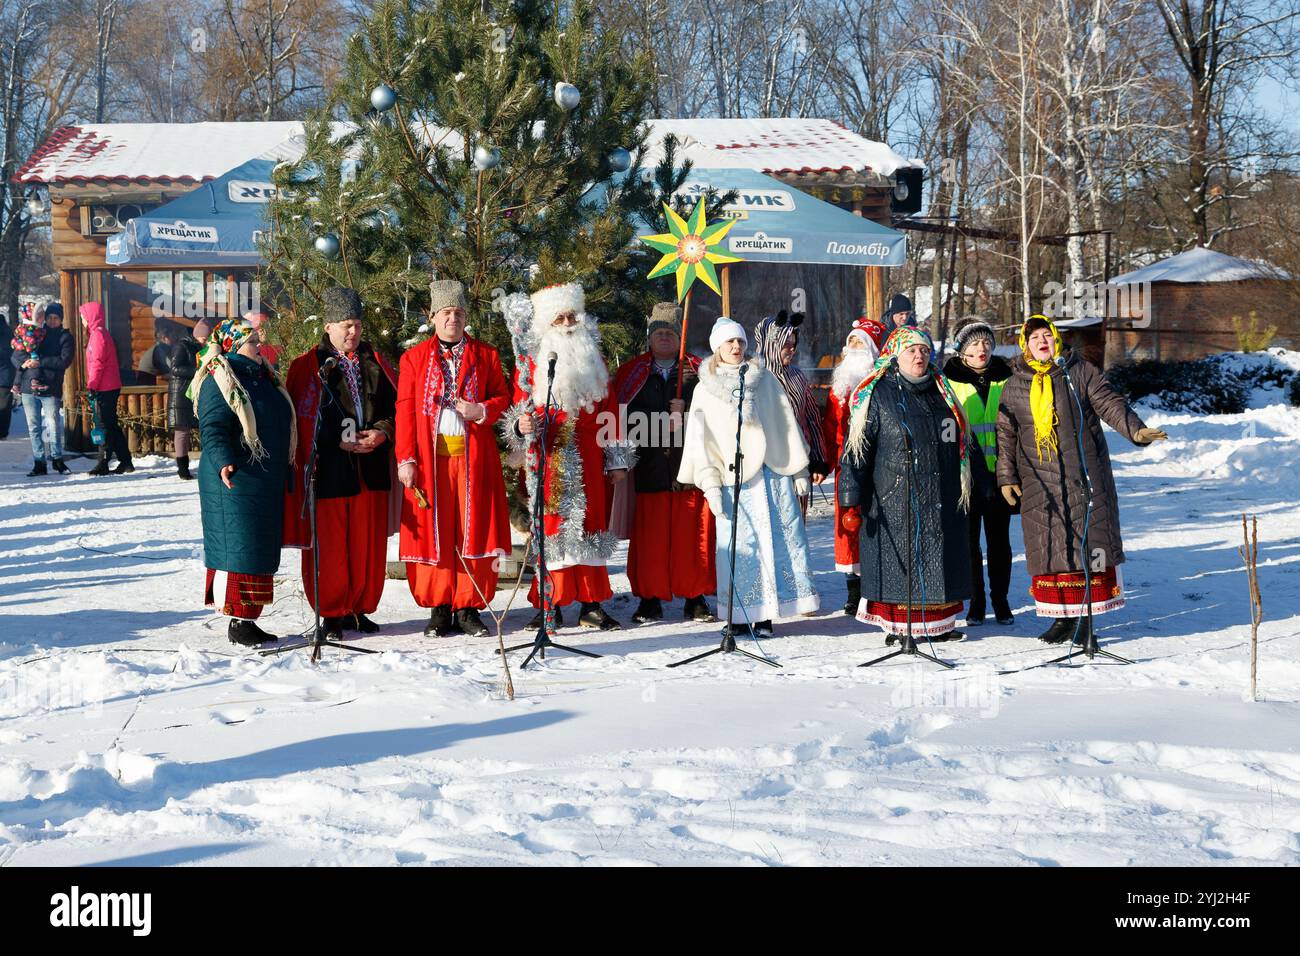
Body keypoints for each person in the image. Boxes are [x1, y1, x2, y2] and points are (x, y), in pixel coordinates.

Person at [996, 315, 1167, 644]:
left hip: (1082, 476)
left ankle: (1086, 621)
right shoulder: (1015, 383)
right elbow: (1006, 434)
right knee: (1051, 550)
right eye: (1035, 338)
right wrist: (1006, 476)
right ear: (1025, 345)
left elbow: (1109, 403)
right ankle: (1062, 619)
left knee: (1086, 547)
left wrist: (1136, 430)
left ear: (1057, 339)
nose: (1042, 341)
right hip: (1038, 483)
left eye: (1047, 335)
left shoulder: (1079, 372)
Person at [677, 317, 819, 636]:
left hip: (770, 474)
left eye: (739, 341)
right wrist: (710, 484)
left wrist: (798, 467)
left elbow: (785, 423)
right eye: (729, 342)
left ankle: (766, 615)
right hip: (732, 478)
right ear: (717, 347)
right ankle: (739, 616)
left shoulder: (763, 379)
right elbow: (701, 441)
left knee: (774, 543)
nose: (736, 347)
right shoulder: (705, 389)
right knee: (738, 547)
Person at [503, 281, 631, 631]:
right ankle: (550, 604)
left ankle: (591, 603)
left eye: (572, 315)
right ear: (547, 323)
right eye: (558, 318)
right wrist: (520, 425)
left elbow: (611, 411)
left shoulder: (595, 359)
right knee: (552, 527)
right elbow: (516, 408)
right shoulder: (530, 363)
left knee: (590, 525)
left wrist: (617, 459)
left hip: (590, 455)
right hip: (549, 456)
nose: (567, 323)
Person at [839, 326, 972, 642]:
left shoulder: (943, 393)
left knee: (935, 557)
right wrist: (849, 496)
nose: (919, 356)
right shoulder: (878, 395)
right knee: (902, 564)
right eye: (912, 350)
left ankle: (937, 627)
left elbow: (960, 444)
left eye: (924, 350)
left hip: (940, 492)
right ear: (896, 356)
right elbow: (857, 450)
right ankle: (901, 630)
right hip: (892, 494)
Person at [396, 279, 512, 637]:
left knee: (471, 530)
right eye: (446, 312)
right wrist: (406, 458)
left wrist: (480, 409)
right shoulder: (413, 359)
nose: (453, 318)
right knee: (437, 530)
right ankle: (439, 607)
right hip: (431, 462)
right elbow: (404, 411)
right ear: (433, 317)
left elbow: (502, 398)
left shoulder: (486, 355)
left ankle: (469, 606)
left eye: (459, 312)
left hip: (473, 459)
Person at [284, 288, 399, 640]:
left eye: (358, 325)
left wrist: (381, 433)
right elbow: (299, 420)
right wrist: (333, 439)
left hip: (370, 465)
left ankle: (359, 608)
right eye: (347, 325)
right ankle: (332, 611)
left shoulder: (376, 361)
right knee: (331, 545)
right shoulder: (309, 366)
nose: (354, 332)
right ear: (329, 325)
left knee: (367, 542)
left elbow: (396, 408)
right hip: (329, 469)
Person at [611, 301, 716, 624]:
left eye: (670, 332)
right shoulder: (632, 372)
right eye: (658, 333)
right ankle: (650, 599)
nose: (665, 338)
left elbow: (717, 415)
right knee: (651, 542)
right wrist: (659, 421)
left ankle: (695, 597)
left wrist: (686, 413)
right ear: (649, 337)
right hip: (649, 469)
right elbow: (618, 418)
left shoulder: (699, 371)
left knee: (692, 537)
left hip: (689, 470)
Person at [194, 317, 296, 647]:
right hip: (236, 479)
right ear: (235, 345)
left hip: (262, 478)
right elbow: (212, 426)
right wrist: (224, 460)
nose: (259, 346)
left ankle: (249, 618)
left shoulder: (261, 376)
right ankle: (238, 622)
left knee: (256, 551)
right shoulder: (222, 378)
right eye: (252, 341)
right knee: (240, 550)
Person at [942, 317, 1015, 626]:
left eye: (985, 342)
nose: (981, 348)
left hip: (1002, 474)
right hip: (966, 476)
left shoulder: (1007, 376)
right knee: (969, 544)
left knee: (1000, 543)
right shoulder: (948, 380)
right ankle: (977, 602)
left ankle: (1001, 600)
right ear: (961, 351)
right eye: (973, 343)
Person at [822, 316, 887, 614]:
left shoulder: (883, 383)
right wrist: (826, 463)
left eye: (862, 342)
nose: (856, 348)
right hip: (847, 468)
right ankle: (854, 591)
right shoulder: (839, 388)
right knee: (849, 528)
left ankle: (877, 588)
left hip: (879, 468)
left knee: (876, 527)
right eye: (852, 343)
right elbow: (829, 427)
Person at [754, 310, 828, 511]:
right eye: (786, 344)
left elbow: (812, 419)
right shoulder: (753, 377)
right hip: (762, 470)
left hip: (798, 467)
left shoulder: (797, 376)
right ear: (771, 344)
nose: (792, 349)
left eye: (794, 344)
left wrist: (818, 459)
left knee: (795, 529)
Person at [12, 302, 73, 476]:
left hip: (51, 387)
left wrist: (41, 361)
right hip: (28, 387)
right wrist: (25, 363)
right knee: (33, 427)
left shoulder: (65, 337)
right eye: (50, 318)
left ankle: (57, 459)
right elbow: (16, 354)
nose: (53, 321)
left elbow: (64, 361)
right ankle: (39, 462)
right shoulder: (36, 332)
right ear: (45, 318)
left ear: (61, 320)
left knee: (53, 424)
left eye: (56, 318)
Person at [83, 302, 132, 476]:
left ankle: (104, 461)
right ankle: (125, 460)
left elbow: (97, 363)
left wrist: (92, 385)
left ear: (90, 316)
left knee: (105, 425)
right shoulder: (98, 333)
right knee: (110, 425)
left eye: (83, 316)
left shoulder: (98, 335)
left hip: (105, 387)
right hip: (107, 385)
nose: (82, 319)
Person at [167, 318, 211, 480]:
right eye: (204, 338)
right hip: (181, 393)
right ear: (197, 335)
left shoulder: (202, 348)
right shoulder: (182, 346)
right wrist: (198, 370)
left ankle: (207, 464)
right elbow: (175, 368)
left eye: (207, 339)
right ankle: (182, 468)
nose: (205, 342)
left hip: (194, 392)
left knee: (203, 428)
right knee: (182, 432)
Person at [0, 309, 14, 439]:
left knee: (4, 405)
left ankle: (2, 433)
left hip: (5, 376)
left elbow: (5, 352)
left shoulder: (5, 332)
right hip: (5, 374)